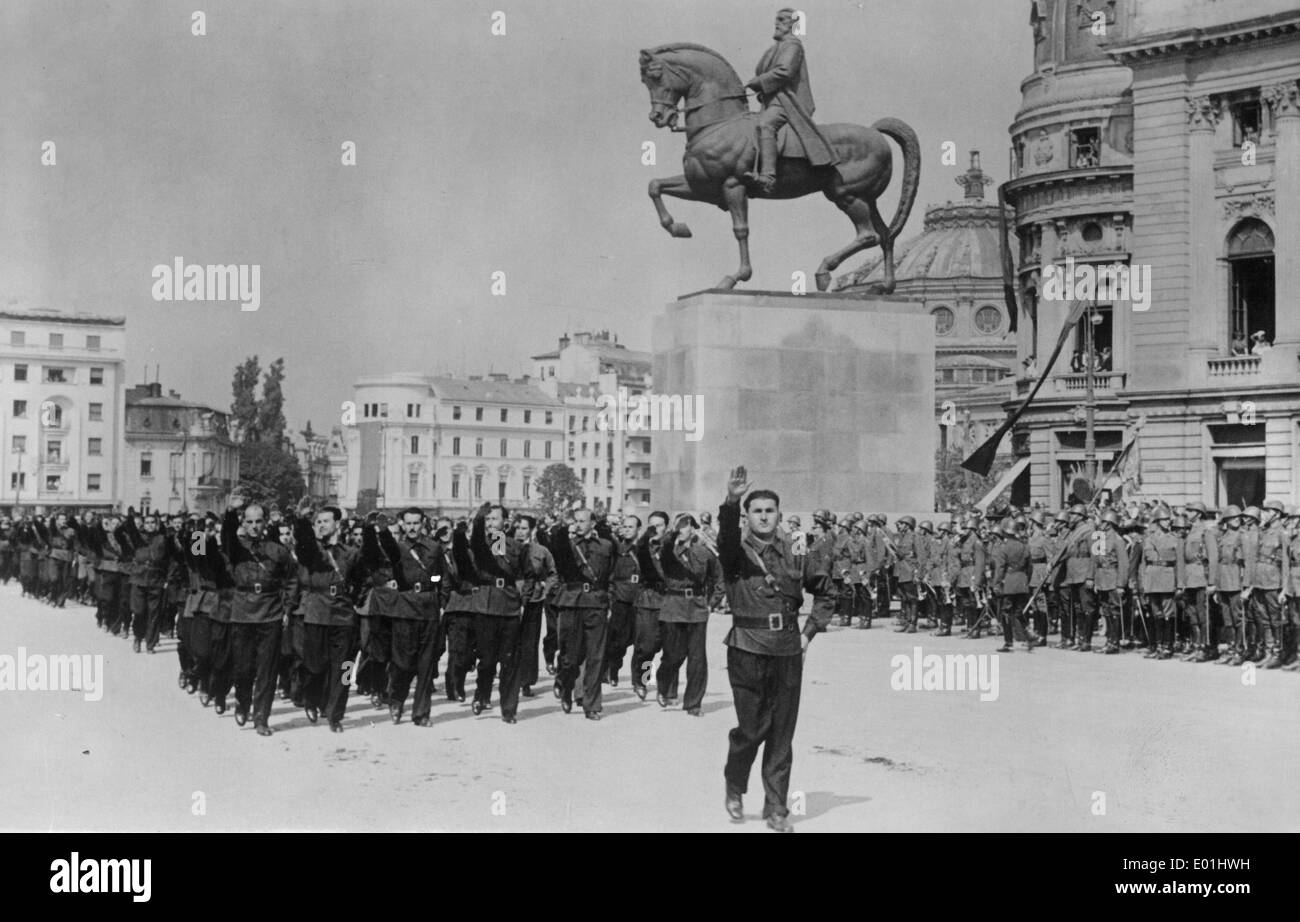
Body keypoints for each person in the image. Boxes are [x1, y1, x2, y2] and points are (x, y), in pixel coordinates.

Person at [717, 465, 830, 833]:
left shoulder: (797, 551)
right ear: (747, 517)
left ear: (779, 515)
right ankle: (735, 785)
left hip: (786, 650)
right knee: (752, 729)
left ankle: (776, 808)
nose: (764, 516)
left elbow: (826, 589)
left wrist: (809, 632)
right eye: (757, 511)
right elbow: (727, 538)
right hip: (747, 648)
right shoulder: (735, 554)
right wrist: (732, 500)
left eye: (770, 510)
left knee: (782, 732)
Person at [222, 495, 298, 736]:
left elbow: (291, 580)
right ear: (243, 523)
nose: (254, 526)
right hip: (243, 613)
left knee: (267, 669)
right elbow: (226, 538)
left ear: (265, 523)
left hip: (270, 613)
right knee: (243, 667)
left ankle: (261, 718)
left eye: (258, 521)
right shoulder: (237, 550)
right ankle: (242, 703)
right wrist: (230, 513)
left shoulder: (278, 551)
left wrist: (287, 609)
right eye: (249, 521)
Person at [742, 8, 836, 194]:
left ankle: (768, 176)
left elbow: (784, 71)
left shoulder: (792, 45)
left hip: (786, 102)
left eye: (782, 20)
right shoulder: (775, 48)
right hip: (772, 101)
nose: (776, 23)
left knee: (765, 125)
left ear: (793, 25)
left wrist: (759, 82)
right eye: (776, 19)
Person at [293, 502, 366, 733]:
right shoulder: (312, 551)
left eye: (325, 521)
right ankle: (313, 697)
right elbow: (304, 542)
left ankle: (336, 714)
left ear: (337, 524)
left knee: (344, 667)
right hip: (317, 613)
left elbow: (362, 580)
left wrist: (354, 599)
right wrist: (302, 520)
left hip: (344, 617)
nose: (321, 525)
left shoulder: (351, 553)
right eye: (318, 522)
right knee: (314, 666)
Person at [549, 507, 615, 720]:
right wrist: (562, 525)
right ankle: (565, 684)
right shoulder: (566, 544)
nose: (578, 524)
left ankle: (592, 704)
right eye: (575, 521)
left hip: (596, 604)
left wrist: (608, 598)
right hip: (571, 602)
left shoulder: (606, 546)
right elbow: (555, 545)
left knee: (596, 656)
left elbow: (611, 575)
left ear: (593, 524)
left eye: (582, 521)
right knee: (570, 655)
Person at [655, 513, 720, 715]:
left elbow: (719, 579)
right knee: (673, 656)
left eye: (684, 526)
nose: (680, 529)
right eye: (677, 526)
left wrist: (712, 603)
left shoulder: (705, 552)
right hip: (673, 607)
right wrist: (671, 535)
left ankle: (693, 703)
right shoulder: (667, 551)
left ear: (692, 528)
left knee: (697, 658)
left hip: (697, 608)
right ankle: (663, 684)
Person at [469, 502, 528, 723]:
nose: (491, 523)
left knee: (510, 661)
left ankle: (509, 708)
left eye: (495, 519)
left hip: (510, 607)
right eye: (488, 520)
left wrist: (522, 599)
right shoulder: (478, 546)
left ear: (505, 522)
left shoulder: (516, 547)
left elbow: (523, 576)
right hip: (486, 605)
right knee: (486, 659)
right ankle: (482, 693)